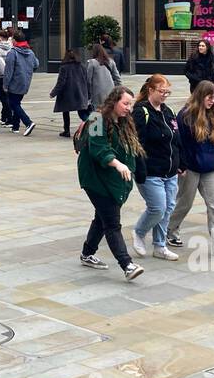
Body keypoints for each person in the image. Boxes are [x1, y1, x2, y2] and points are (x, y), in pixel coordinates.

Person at [77, 85, 145, 280]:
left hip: (115, 180)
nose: (128, 108)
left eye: (131, 104)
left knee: (102, 217)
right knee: (112, 223)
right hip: (95, 179)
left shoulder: (125, 121)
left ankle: (87, 253)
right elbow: (98, 149)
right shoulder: (96, 118)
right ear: (114, 101)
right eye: (125, 103)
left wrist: (132, 169)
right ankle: (127, 265)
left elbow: (132, 149)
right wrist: (118, 165)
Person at [167, 81, 214, 259]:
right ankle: (169, 229)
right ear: (200, 95)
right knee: (184, 203)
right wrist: (181, 165)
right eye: (209, 97)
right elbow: (178, 142)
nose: (212, 101)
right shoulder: (185, 116)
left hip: (210, 168)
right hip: (189, 168)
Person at [130, 75, 181, 261]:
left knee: (168, 208)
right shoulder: (141, 112)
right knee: (157, 208)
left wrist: (180, 162)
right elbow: (137, 143)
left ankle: (160, 246)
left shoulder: (168, 111)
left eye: (167, 92)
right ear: (150, 90)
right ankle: (139, 232)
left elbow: (176, 139)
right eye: (162, 91)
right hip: (151, 171)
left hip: (170, 171)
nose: (165, 95)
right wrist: (140, 169)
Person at [3, 28, 39, 135]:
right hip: (25, 82)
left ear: (14, 40)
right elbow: (36, 64)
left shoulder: (12, 53)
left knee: (14, 105)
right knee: (17, 103)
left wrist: (5, 85)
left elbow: (8, 71)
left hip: (14, 83)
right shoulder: (30, 52)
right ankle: (15, 126)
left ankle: (28, 122)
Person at [51, 48, 91, 137]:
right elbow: (87, 81)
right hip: (80, 93)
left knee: (65, 112)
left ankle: (67, 130)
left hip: (67, 94)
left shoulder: (64, 67)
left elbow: (61, 82)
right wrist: (89, 93)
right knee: (82, 112)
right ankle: (93, 127)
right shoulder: (82, 66)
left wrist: (53, 93)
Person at [85, 43, 121, 109]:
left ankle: (98, 119)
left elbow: (88, 80)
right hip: (110, 91)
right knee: (109, 111)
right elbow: (118, 78)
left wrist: (88, 93)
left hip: (97, 93)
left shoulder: (92, 62)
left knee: (97, 113)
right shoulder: (111, 61)